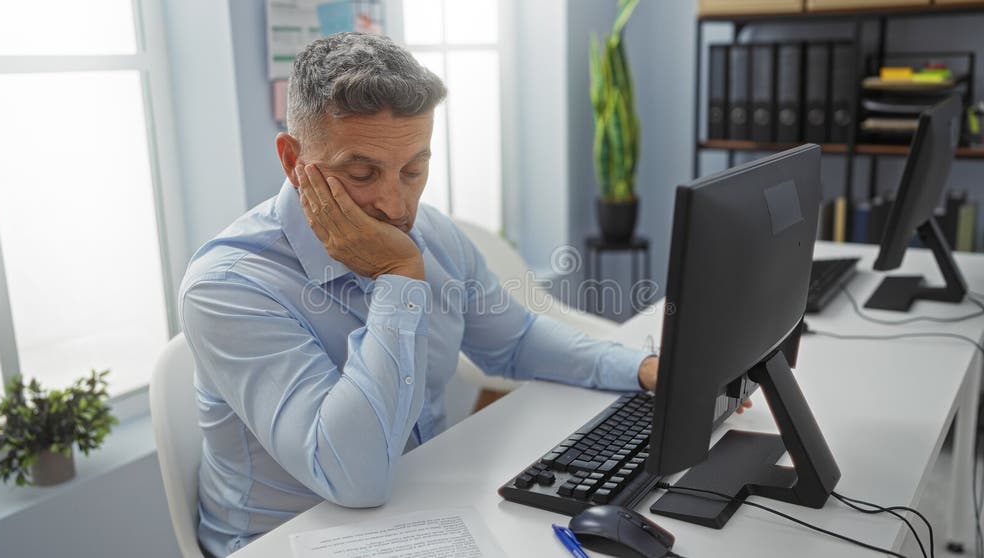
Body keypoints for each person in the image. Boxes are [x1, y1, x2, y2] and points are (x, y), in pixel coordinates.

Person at [179, 32, 746, 557]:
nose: (396, 207)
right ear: (291, 160)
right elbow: (354, 478)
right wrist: (398, 278)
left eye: (413, 170)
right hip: (288, 540)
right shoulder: (228, 288)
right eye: (361, 173)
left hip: (425, 504)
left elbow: (517, 341)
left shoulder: (432, 234)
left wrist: (646, 367)